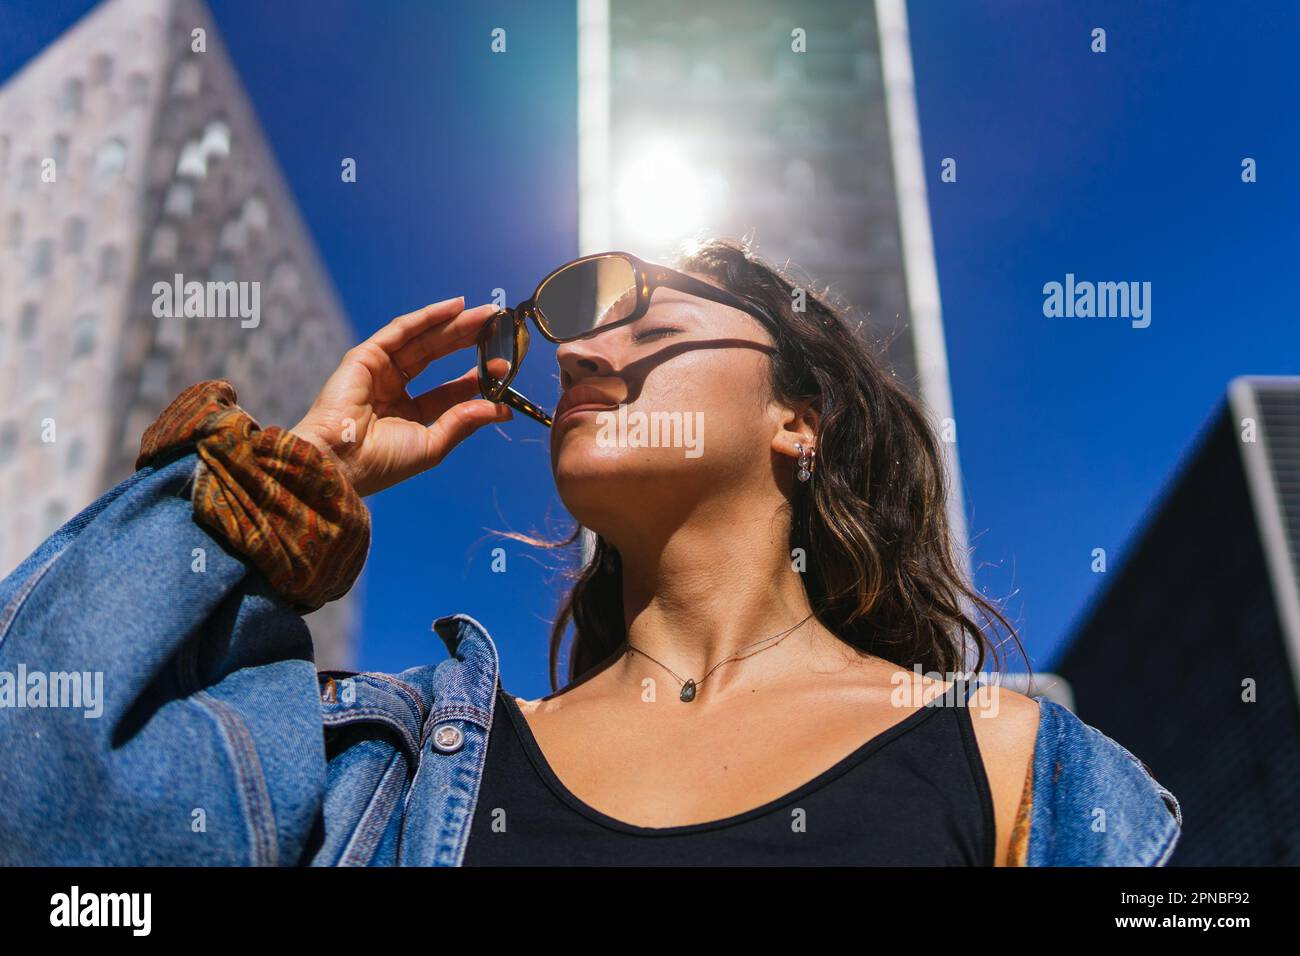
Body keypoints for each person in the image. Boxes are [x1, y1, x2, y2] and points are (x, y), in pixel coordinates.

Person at [0, 238, 1181, 866]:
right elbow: (39, 800)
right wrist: (291, 479)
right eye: (571, 329)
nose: (578, 349)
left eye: (649, 312)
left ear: (798, 416)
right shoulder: (389, 767)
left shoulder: (1020, 759)